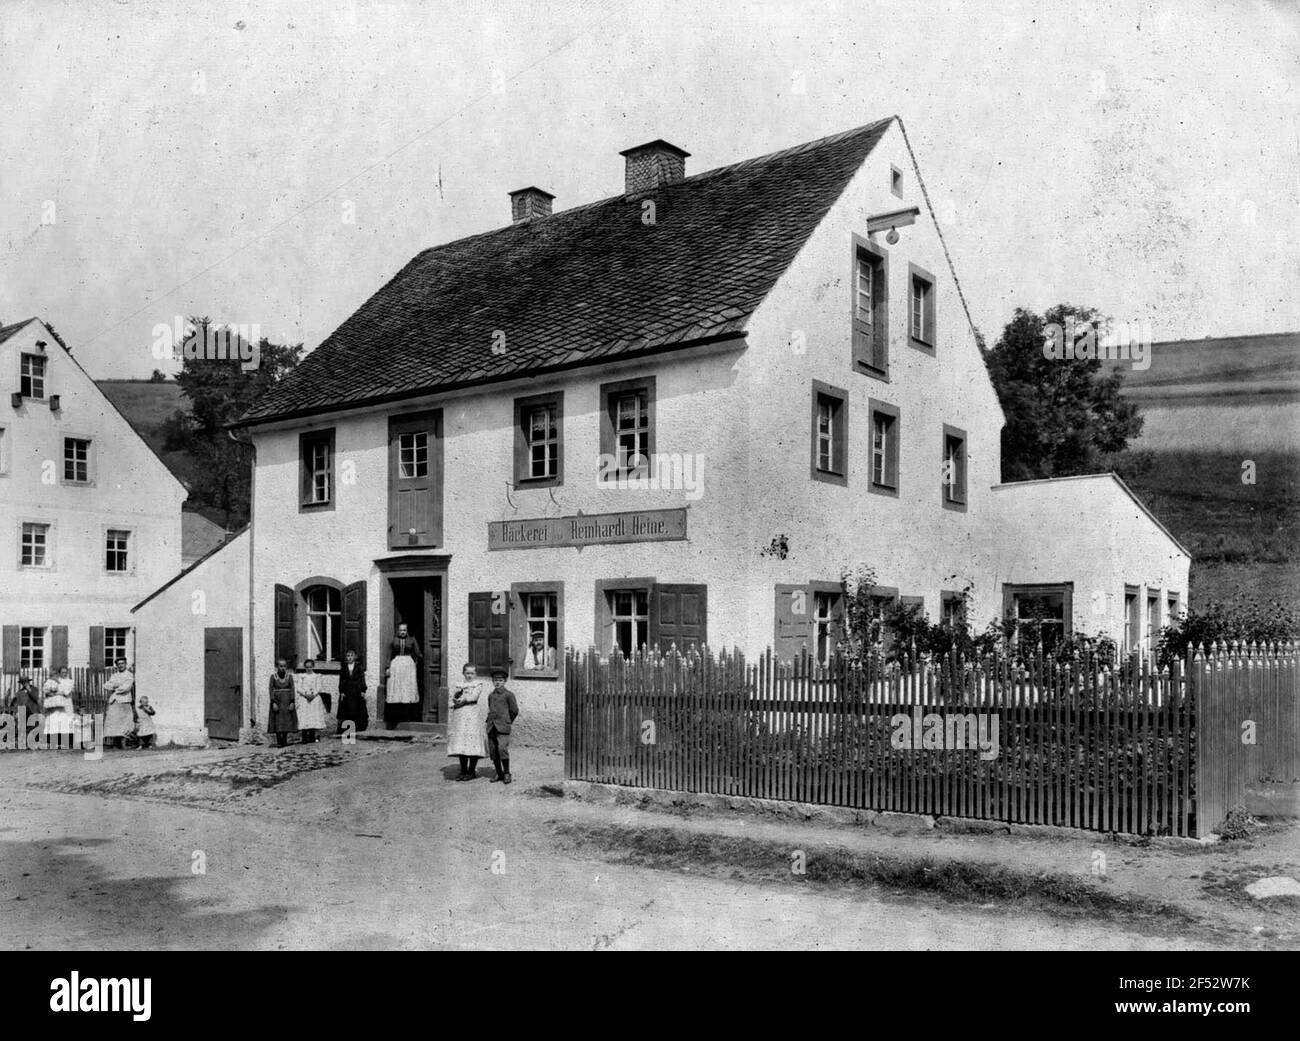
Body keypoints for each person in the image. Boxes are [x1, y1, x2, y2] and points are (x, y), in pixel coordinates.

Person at [447, 663, 488, 780]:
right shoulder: (459, 685)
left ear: (475, 674)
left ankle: (471, 771)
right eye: (467, 673)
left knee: (472, 740)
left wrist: (463, 699)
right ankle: (463, 770)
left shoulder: (477, 685)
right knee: (461, 740)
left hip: (472, 713)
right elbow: (453, 698)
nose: (469, 676)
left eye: (472, 673)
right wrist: (456, 698)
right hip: (460, 715)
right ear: (463, 673)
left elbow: (474, 697)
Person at [384, 623, 422, 729]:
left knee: (407, 687)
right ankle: (396, 716)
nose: (402, 632)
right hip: (396, 664)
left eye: (404, 630)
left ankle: (408, 716)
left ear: (407, 631)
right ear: (398, 630)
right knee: (397, 687)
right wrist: (387, 667)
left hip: (408, 665)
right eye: (401, 630)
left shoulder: (412, 640)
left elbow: (417, 652)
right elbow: (389, 655)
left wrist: (418, 660)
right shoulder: (393, 641)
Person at [485, 668, 519, 784]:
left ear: (505, 681)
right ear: (492, 682)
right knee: (493, 750)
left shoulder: (509, 695)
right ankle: (498, 773)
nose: (497, 682)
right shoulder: (491, 695)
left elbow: (514, 711)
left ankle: (506, 773)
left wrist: (507, 721)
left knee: (502, 749)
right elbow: (490, 708)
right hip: (491, 726)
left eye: (500, 680)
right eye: (495, 680)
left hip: (503, 727)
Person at [102, 658, 136, 750]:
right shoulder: (114, 675)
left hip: (124, 701)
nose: (120, 665)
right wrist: (115, 686)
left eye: (122, 663)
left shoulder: (129, 675)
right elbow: (106, 685)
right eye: (118, 664)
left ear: (126, 664)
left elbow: (126, 688)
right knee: (114, 722)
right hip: (114, 700)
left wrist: (115, 687)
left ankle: (124, 743)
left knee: (124, 722)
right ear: (116, 665)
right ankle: (116, 744)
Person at [41, 667, 77, 749]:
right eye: (62, 672)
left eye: (65, 672)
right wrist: (51, 693)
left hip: (67, 704)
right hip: (56, 704)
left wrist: (54, 693)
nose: (64, 674)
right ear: (59, 673)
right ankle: (55, 741)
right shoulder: (54, 681)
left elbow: (66, 692)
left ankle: (68, 741)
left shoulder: (70, 681)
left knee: (67, 721)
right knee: (55, 721)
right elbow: (47, 691)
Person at [336, 649, 369, 735]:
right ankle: (346, 728)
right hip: (347, 690)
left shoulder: (359, 667)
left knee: (357, 708)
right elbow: (342, 680)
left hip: (356, 690)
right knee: (346, 709)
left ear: (355, 657)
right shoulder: (344, 668)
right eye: (348, 656)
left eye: (351, 656)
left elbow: (362, 679)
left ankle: (358, 728)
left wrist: (363, 690)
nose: (349, 658)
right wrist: (342, 691)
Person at [266, 660, 298, 747]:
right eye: (281, 666)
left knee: (286, 719)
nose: (282, 668)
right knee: (277, 720)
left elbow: (292, 689)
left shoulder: (289, 676)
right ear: (277, 667)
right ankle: (279, 740)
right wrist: (273, 702)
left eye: (284, 666)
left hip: (287, 701)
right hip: (277, 701)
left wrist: (292, 702)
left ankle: (284, 740)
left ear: (286, 667)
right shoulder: (273, 677)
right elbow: (270, 690)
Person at [295, 658, 326, 744]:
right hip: (304, 699)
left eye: (310, 667)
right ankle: (304, 736)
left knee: (313, 717)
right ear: (305, 667)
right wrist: (305, 694)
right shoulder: (302, 676)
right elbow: (298, 688)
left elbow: (319, 687)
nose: (309, 669)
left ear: (313, 667)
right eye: (307, 667)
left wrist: (313, 695)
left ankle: (312, 736)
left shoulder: (317, 676)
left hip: (314, 699)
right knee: (305, 717)